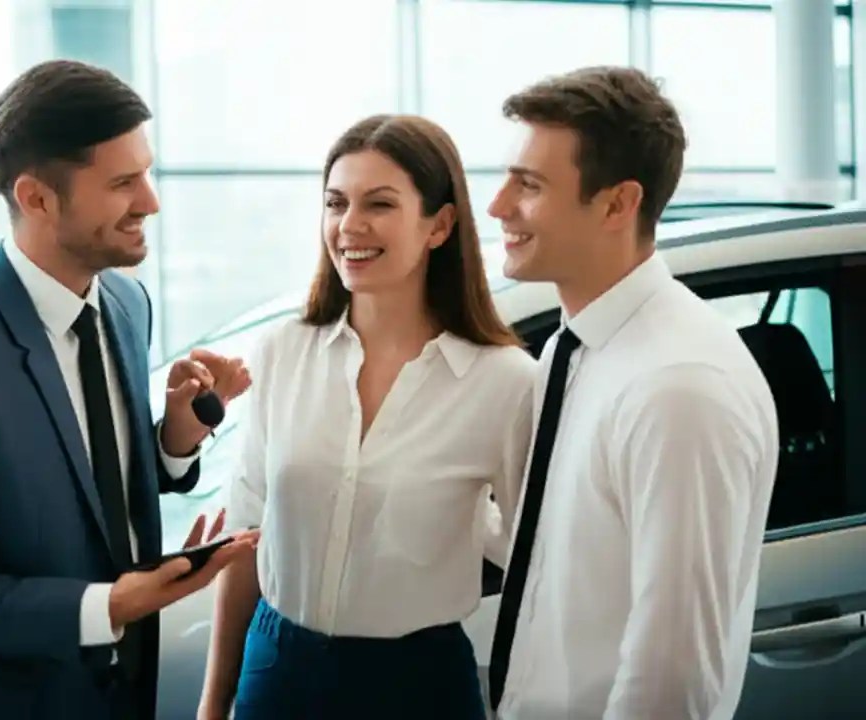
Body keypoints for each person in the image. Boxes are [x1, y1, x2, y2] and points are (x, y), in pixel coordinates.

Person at [0, 59, 259, 720]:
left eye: (148, 171)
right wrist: (109, 605)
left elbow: (85, 477)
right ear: (37, 198)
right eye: (124, 182)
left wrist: (173, 444)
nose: (151, 201)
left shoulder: (127, 305)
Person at [197, 114, 537, 720]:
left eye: (379, 204)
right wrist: (213, 706)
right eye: (335, 202)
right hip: (277, 672)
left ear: (440, 225)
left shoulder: (505, 380)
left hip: (418, 687)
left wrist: (465, 519)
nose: (349, 226)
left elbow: (535, 561)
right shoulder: (283, 351)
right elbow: (245, 540)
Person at [485, 66, 779, 719]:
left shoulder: (680, 388)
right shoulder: (573, 350)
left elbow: (671, 678)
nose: (498, 205)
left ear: (618, 204)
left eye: (528, 185)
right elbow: (562, 558)